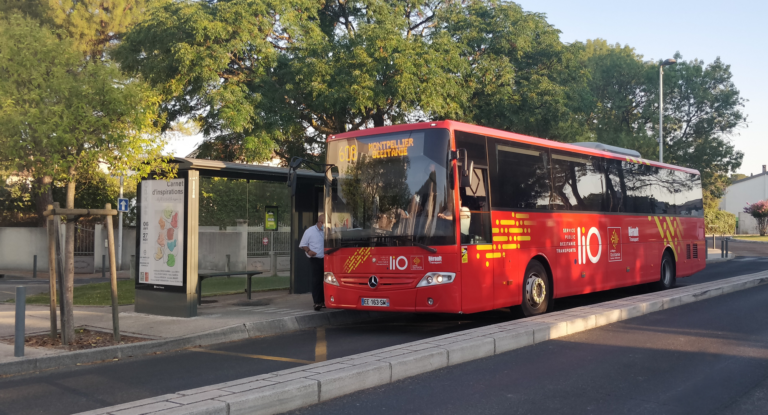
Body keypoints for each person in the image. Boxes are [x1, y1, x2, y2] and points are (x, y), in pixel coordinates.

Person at [299, 213, 325, 311]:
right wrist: (309, 251)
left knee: (326, 280)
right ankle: (317, 302)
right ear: (319, 222)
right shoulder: (309, 231)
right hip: (315, 259)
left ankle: (324, 301)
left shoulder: (327, 231)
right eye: (324, 224)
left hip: (326, 258)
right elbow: (303, 244)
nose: (325, 226)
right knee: (317, 280)